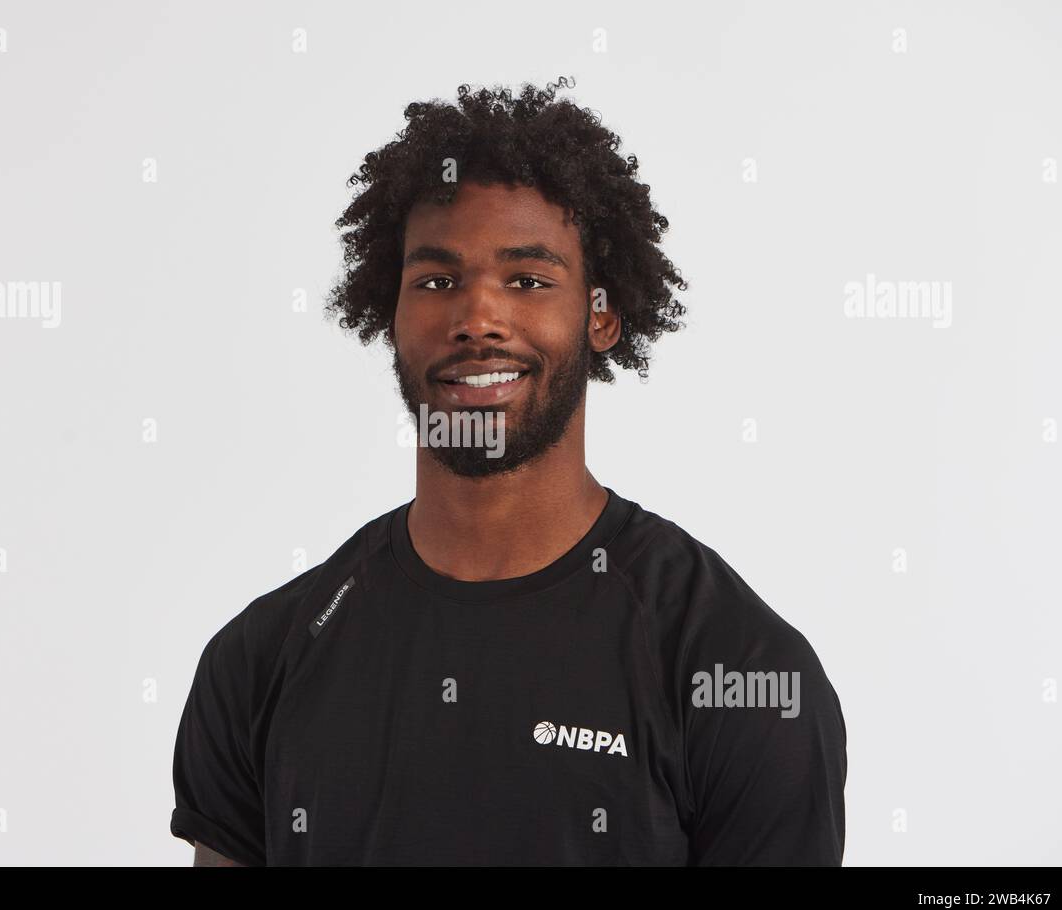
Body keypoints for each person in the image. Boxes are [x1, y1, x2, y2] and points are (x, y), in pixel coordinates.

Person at [170, 77, 847, 866]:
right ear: (386, 311)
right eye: (436, 280)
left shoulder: (738, 670)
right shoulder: (259, 660)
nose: (476, 318)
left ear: (601, 314)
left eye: (527, 281)